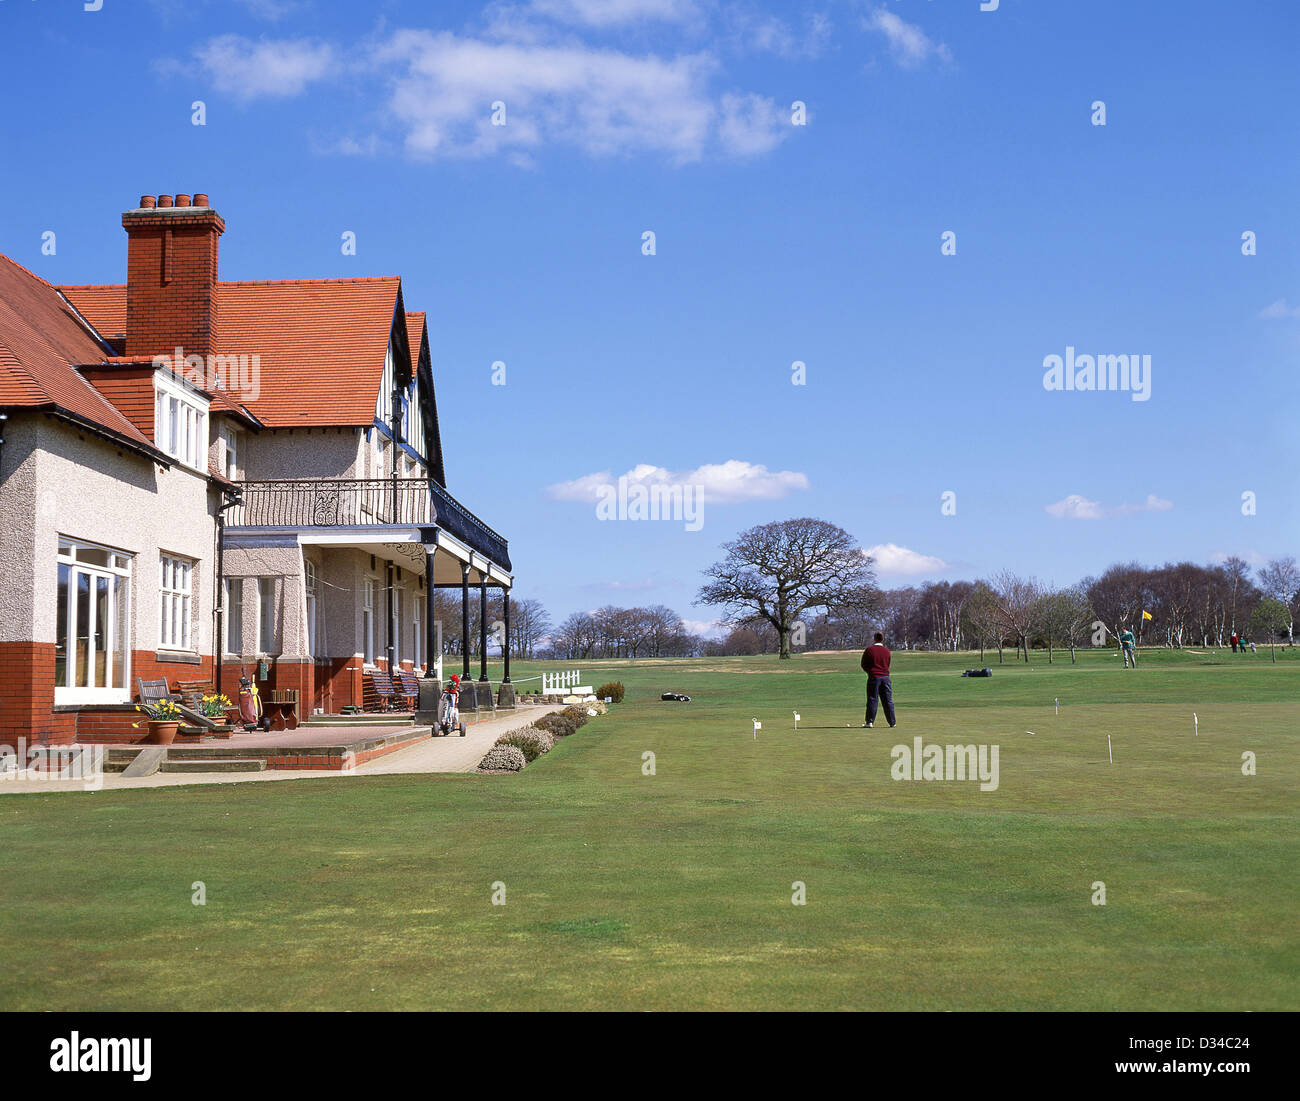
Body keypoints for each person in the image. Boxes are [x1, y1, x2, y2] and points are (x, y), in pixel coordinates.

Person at [860, 631, 896, 729]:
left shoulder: (869, 650)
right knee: (888, 700)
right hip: (885, 677)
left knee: (872, 699)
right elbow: (887, 664)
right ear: (882, 639)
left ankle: (869, 722)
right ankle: (892, 722)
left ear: (874, 638)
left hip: (874, 677)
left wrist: (870, 672)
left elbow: (863, 664)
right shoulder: (887, 651)